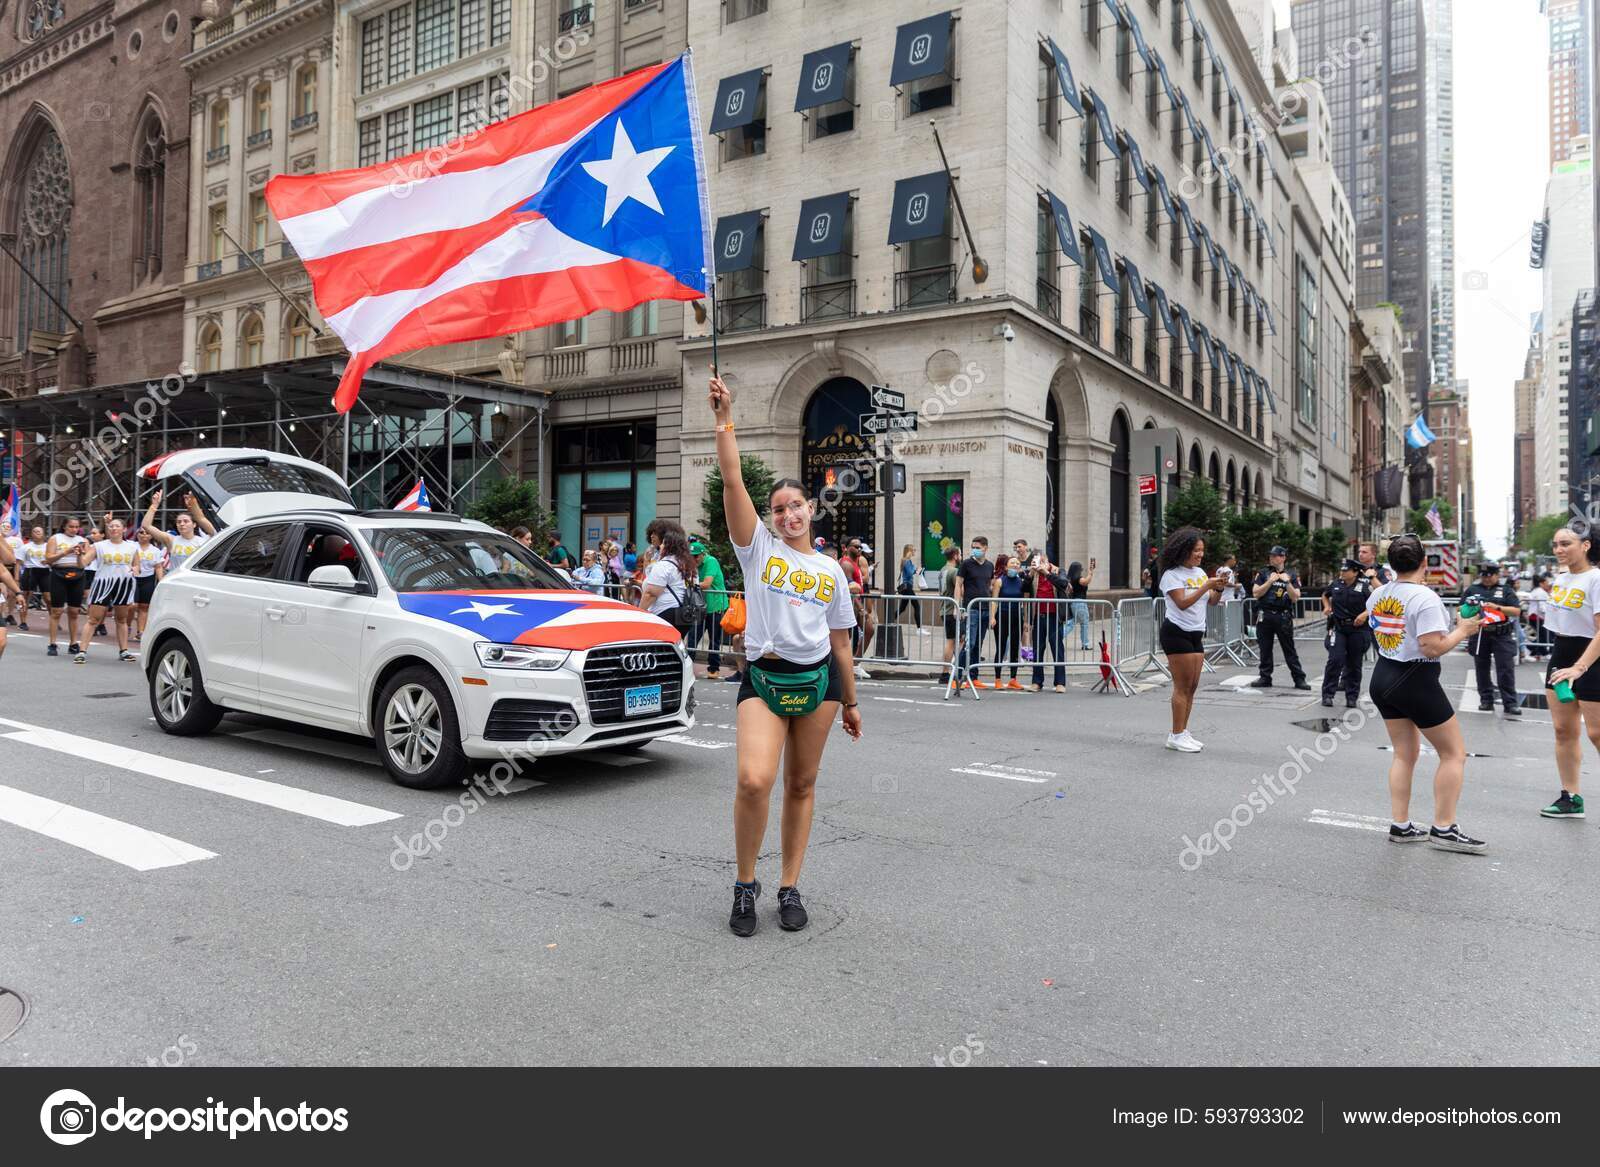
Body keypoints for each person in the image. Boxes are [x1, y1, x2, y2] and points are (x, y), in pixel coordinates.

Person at [710, 371, 860, 937]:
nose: (788, 515)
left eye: (796, 506)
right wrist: (725, 418)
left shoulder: (831, 572)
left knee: (802, 784)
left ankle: (789, 886)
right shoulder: (758, 550)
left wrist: (850, 701)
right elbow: (730, 480)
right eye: (779, 508)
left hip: (819, 683)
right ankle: (744, 887)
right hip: (765, 681)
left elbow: (841, 642)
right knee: (754, 779)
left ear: (810, 511)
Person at [1365, 533, 1487, 852]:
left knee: (1405, 754)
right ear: (1424, 563)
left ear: (1391, 565)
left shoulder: (1377, 594)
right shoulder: (1424, 598)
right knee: (1453, 754)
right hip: (1414, 678)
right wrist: (1463, 628)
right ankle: (1444, 827)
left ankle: (1401, 825)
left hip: (1383, 676)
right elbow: (1432, 648)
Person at [1538, 525, 1600, 820]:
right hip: (1561, 655)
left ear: (1586, 545)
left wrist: (1580, 666)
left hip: (1592, 658)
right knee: (1564, 731)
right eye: (1556, 545)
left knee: (1597, 732)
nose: (1559, 549)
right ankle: (1571, 798)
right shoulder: (1561, 579)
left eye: (1566, 544)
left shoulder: (1597, 578)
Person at [1160, 527, 1226, 752]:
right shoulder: (1172, 575)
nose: (1200, 554)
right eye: (1196, 550)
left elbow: (1212, 602)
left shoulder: (1199, 573)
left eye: (1202, 551)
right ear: (1184, 550)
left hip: (1197, 632)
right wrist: (1206, 585)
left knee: (1192, 687)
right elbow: (1182, 603)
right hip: (1176, 632)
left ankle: (1183, 731)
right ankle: (1175, 735)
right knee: (1181, 686)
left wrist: (1218, 589)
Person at [1461, 562, 1522, 717]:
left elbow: (1516, 611)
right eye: (1483, 576)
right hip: (1481, 633)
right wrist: (1471, 607)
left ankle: (1510, 703)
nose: (1486, 579)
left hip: (1501, 634)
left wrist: (1497, 607)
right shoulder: (1473, 590)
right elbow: (1460, 609)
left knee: (1505, 669)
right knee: (1482, 668)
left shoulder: (1505, 590)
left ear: (1497, 575)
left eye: (1489, 576)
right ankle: (1486, 700)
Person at [76, 519, 139, 664]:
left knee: (122, 619)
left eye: (117, 526)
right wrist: (79, 555)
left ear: (124, 529)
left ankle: (124, 651)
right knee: (93, 619)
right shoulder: (99, 546)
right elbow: (83, 564)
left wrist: (135, 570)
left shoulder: (132, 547)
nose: (114, 528)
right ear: (107, 529)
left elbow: (137, 566)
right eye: (111, 526)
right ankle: (82, 652)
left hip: (123, 584)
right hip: (103, 583)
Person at [1249, 545, 1310, 690]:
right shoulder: (1263, 573)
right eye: (1271, 556)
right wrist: (1269, 581)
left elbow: (1296, 597)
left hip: (1283, 615)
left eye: (1275, 556)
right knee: (1265, 648)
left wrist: (1287, 582)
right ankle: (1265, 677)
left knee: (1289, 649)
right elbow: (1256, 593)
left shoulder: (1291, 574)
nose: (1271, 558)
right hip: (1265, 614)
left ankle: (1299, 678)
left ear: (1283, 557)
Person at [1320, 559, 1371, 709]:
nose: (1342, 573)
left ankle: (1352, 697)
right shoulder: (1335, 584)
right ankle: (1328, 695)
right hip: (1338, 627)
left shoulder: (1365, 587)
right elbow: (1325, 594)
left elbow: (1375, 604)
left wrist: (1364, 614)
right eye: (1341, 570)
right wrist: (1327, 606)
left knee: (1354, 664)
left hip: (1357, 629)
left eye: (1345, 571)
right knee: (1335, 659)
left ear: (1355, 572)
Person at [44, 516, 89, 657]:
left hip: (77, 574)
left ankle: (73, 643)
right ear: (64, 526)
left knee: (74, 611)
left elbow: (86, 559)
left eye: (76, 527)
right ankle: (52, 643)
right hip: (59, 573)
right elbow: (48, 558)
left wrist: (79, 554)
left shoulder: (83, 540)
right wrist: (66, 552)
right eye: (71, 526)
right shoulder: (55, 538)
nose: (74, 529)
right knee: (56, 610)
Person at [953, 536, 994, 688]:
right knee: (970, 643)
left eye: (977, 547)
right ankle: (956, 676)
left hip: (984, 609)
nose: (975, 550)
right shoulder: (966, 564)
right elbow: (958, 584)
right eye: (973, 547)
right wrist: (957, 606)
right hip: (972, 609)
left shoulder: (990, 565)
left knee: (978, 644)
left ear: (985, 548)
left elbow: (989, 585)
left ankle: (973, 677)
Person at [141, 489, 214, 570]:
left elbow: (201, 518)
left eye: (186, 521)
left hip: (194, 581)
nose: (182, 524)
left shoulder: (204, 541)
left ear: (194, 524)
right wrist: (154, 506)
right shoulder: (171, 540)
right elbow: (146, 525)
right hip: (176, 580)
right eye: (179, 522)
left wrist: (193, 503)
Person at [637, 523, 694, 624]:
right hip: (684, 612)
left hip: (665, 613)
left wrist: (638, 614)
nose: (652, 536)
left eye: (655, 533)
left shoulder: (665, 563)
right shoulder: (685, 562)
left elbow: (650, 593)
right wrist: (646, 562)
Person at [1029, 557, 1070, 693]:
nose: (1039, 565)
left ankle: (1060, 682)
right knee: (1037, 649)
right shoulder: (1034, 575)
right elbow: (1023, 587)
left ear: (1047, 562)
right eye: (1037, 562)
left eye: (1041, 562)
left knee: (1057, 648)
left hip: (1054, 617)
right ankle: (1036, 682)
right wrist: (1030, 573)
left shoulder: (1058, 571)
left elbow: (1063, 584)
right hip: (1039, 616)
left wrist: (1047, 573)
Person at [692, 537, 728, 679]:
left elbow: (706, 583)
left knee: (714, 639)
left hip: (715, 605)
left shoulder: (710, 561)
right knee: (693, 638)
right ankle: (687, 667)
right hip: (701, 606)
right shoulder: (694, 564)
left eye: (696, 556)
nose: (694, 559)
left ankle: (714, 669)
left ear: (703, 554)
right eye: (691, 556)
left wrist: (689, 584)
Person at [991, 553, 1026, 690]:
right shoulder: (1000, 581)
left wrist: (1025, 620)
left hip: (1017, 617)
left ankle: (1013, 679)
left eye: (1017, 564)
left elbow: (1025, 602)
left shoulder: (1021, 582)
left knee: (1014, 648)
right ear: (1006, 567)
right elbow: (994, 600)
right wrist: (992, 617)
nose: (1015, 565)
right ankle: (998, 679)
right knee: (1000, 647)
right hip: (1002, 617)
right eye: (1012, 563)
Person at [132, 525, 165, 640]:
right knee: (132, 605)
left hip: (148, 579)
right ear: (137, 534)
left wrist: (161, 581)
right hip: (133, 578)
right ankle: (126, 626)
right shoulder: (131, 546)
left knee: (144, 606)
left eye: (147, 533)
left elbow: (158, 567)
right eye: (141, 532)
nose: (144, 535)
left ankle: (141, 631)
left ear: (151, 535)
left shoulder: (155, 550)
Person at [18, 525, 50, 632]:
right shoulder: (26, 547)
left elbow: (53, 558)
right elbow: (19, 562)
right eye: (35, 531)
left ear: (43, 534)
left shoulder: (48, 546)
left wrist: (49, 562)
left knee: (48, 598)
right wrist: (16, 578)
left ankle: (53, 620)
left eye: (39, 531)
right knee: (25, 597)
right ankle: (23, 622)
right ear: (32, 534)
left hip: (45, 572)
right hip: (30, 571)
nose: (37, 533)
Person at [1060, 558, 1094, 652]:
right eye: (1081, 569)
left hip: (1074, 602)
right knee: (1084, 623)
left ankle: (1058, 637)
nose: (1082, 571)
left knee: (1071, 623)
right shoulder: (1078, 579)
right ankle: (1085, 644)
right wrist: (1091, 572)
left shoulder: (1070, 579)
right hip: (1080, 603)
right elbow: (1086, 581)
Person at [938, 545, 960, 686]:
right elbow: (960, 590)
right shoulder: (954, 571)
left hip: (944, 608)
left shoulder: (942, 570)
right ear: (955, 556)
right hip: (951, 610)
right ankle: (946, 672)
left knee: (954, 640)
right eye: (960, 554)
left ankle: (950, 669)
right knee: (953, 641)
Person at [895, 544, 922, 630]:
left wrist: (915, 570)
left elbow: (909, 573)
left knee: (902, 608)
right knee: (916, 606)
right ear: (909, 551)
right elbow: (910, 573)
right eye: (913, 550)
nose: (914, 552)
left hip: (907, 587)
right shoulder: (907, 561)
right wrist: (916, 569)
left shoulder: (906, 561)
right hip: (908, 587)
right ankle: (919, 629)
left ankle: (889, 619)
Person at [1525, 572, 1552, 660]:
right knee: (1544, 635)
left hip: (1534, 616)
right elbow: (1542, 606)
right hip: (1537, 616)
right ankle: (1540, 651)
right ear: (1541, 583)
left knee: (1541, 635)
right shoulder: (1541, 592)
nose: (1548, 585)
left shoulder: (1535, 591)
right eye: (1546, 583)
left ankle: (1535, 651)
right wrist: (1549, 612)